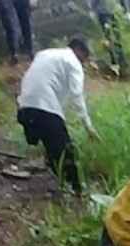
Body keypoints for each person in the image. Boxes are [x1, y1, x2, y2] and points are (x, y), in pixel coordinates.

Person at [16, 37, 97, 195]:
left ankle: (60, 181)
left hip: (25, 109)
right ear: (79, 51)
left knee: (52, 146)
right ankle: (78, 190)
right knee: (66, 151)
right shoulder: (73, 62)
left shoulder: (45, 54)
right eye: (85, 58)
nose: (84, 63)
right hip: (43, 109)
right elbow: (77, 96)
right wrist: (88, 127)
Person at [90, 0, 130, 76]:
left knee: (117, 38)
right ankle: (114, 62)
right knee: (108, 38)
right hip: (103, 13)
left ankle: (122, 63)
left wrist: (127, 11)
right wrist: (92, 9)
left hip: (115, 12)